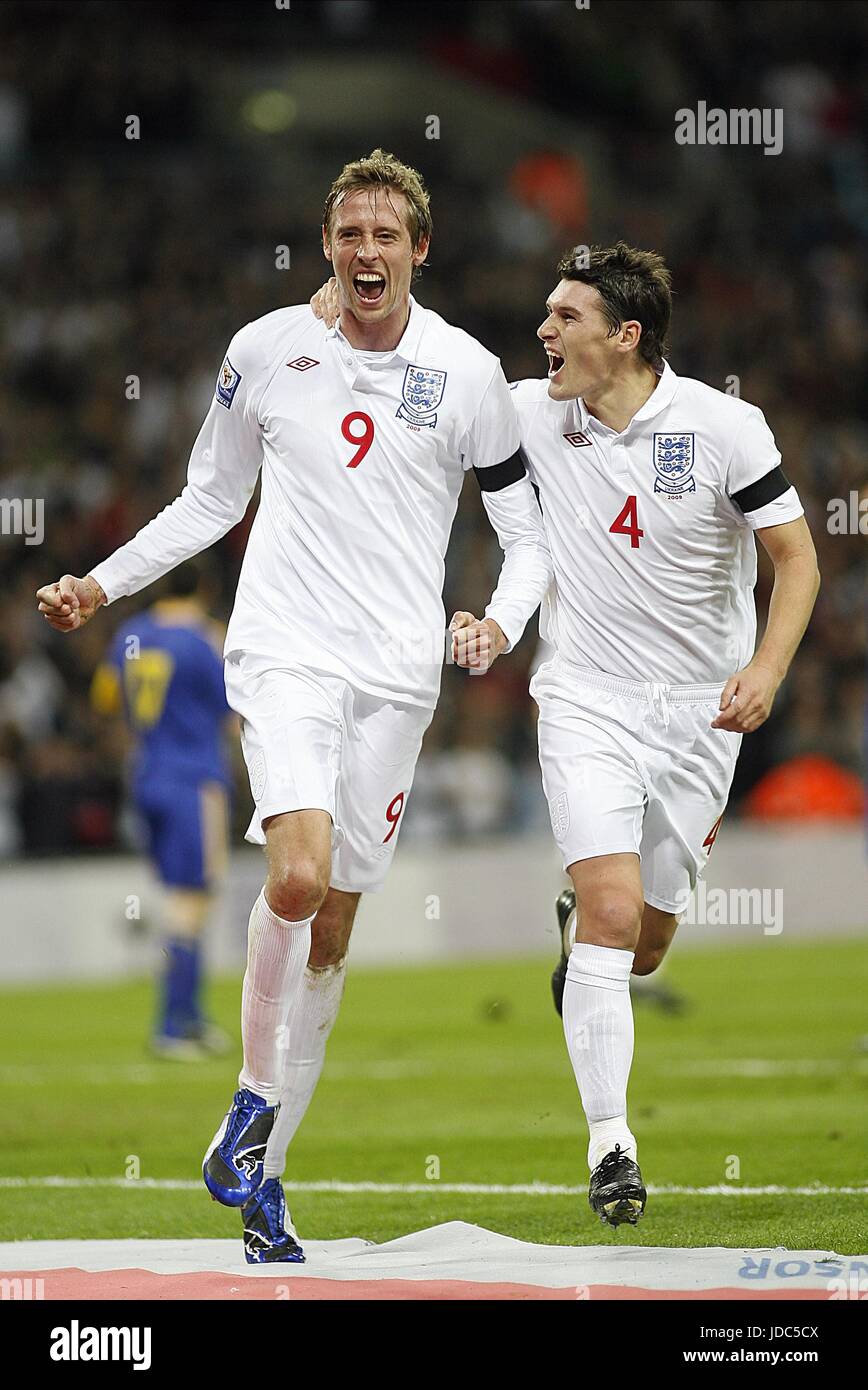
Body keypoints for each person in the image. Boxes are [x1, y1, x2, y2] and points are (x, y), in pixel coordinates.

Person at [36, 150, 552, 1263]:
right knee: (297, 873)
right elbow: (210, 497)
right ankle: (251, 1102)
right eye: (349, 234)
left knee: (335, 927)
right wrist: (101, 581)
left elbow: (527, 537)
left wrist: (498, 622)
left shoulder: (467, 375)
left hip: (398, 676)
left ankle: (265, 1178)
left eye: (387, 236)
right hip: (285, 655)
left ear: (422, 248)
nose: (367, 252)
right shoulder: (265, 350)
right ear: (327, 244)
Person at [511, 242, 819, 1227]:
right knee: (609, 913)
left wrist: (764, 672)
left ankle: (593, 935)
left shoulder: (726, 428)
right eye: (547, 314)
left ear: (625, 335)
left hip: (699, 715)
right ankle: (611, 1145)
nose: (544, 331)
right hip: (585, 699)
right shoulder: (527, 413)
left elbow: (795, 561)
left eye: (565, 317)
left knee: (643, 945)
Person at [90, 560, 234, 1059]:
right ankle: (173, 1023)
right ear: (206, 588)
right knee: (191, 900)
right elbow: (232, 711)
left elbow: (105, 697)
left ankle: (190, 1019)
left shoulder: (131, 633)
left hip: (147, 774)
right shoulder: (200, 640)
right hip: (193, 778)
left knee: (184, 895)